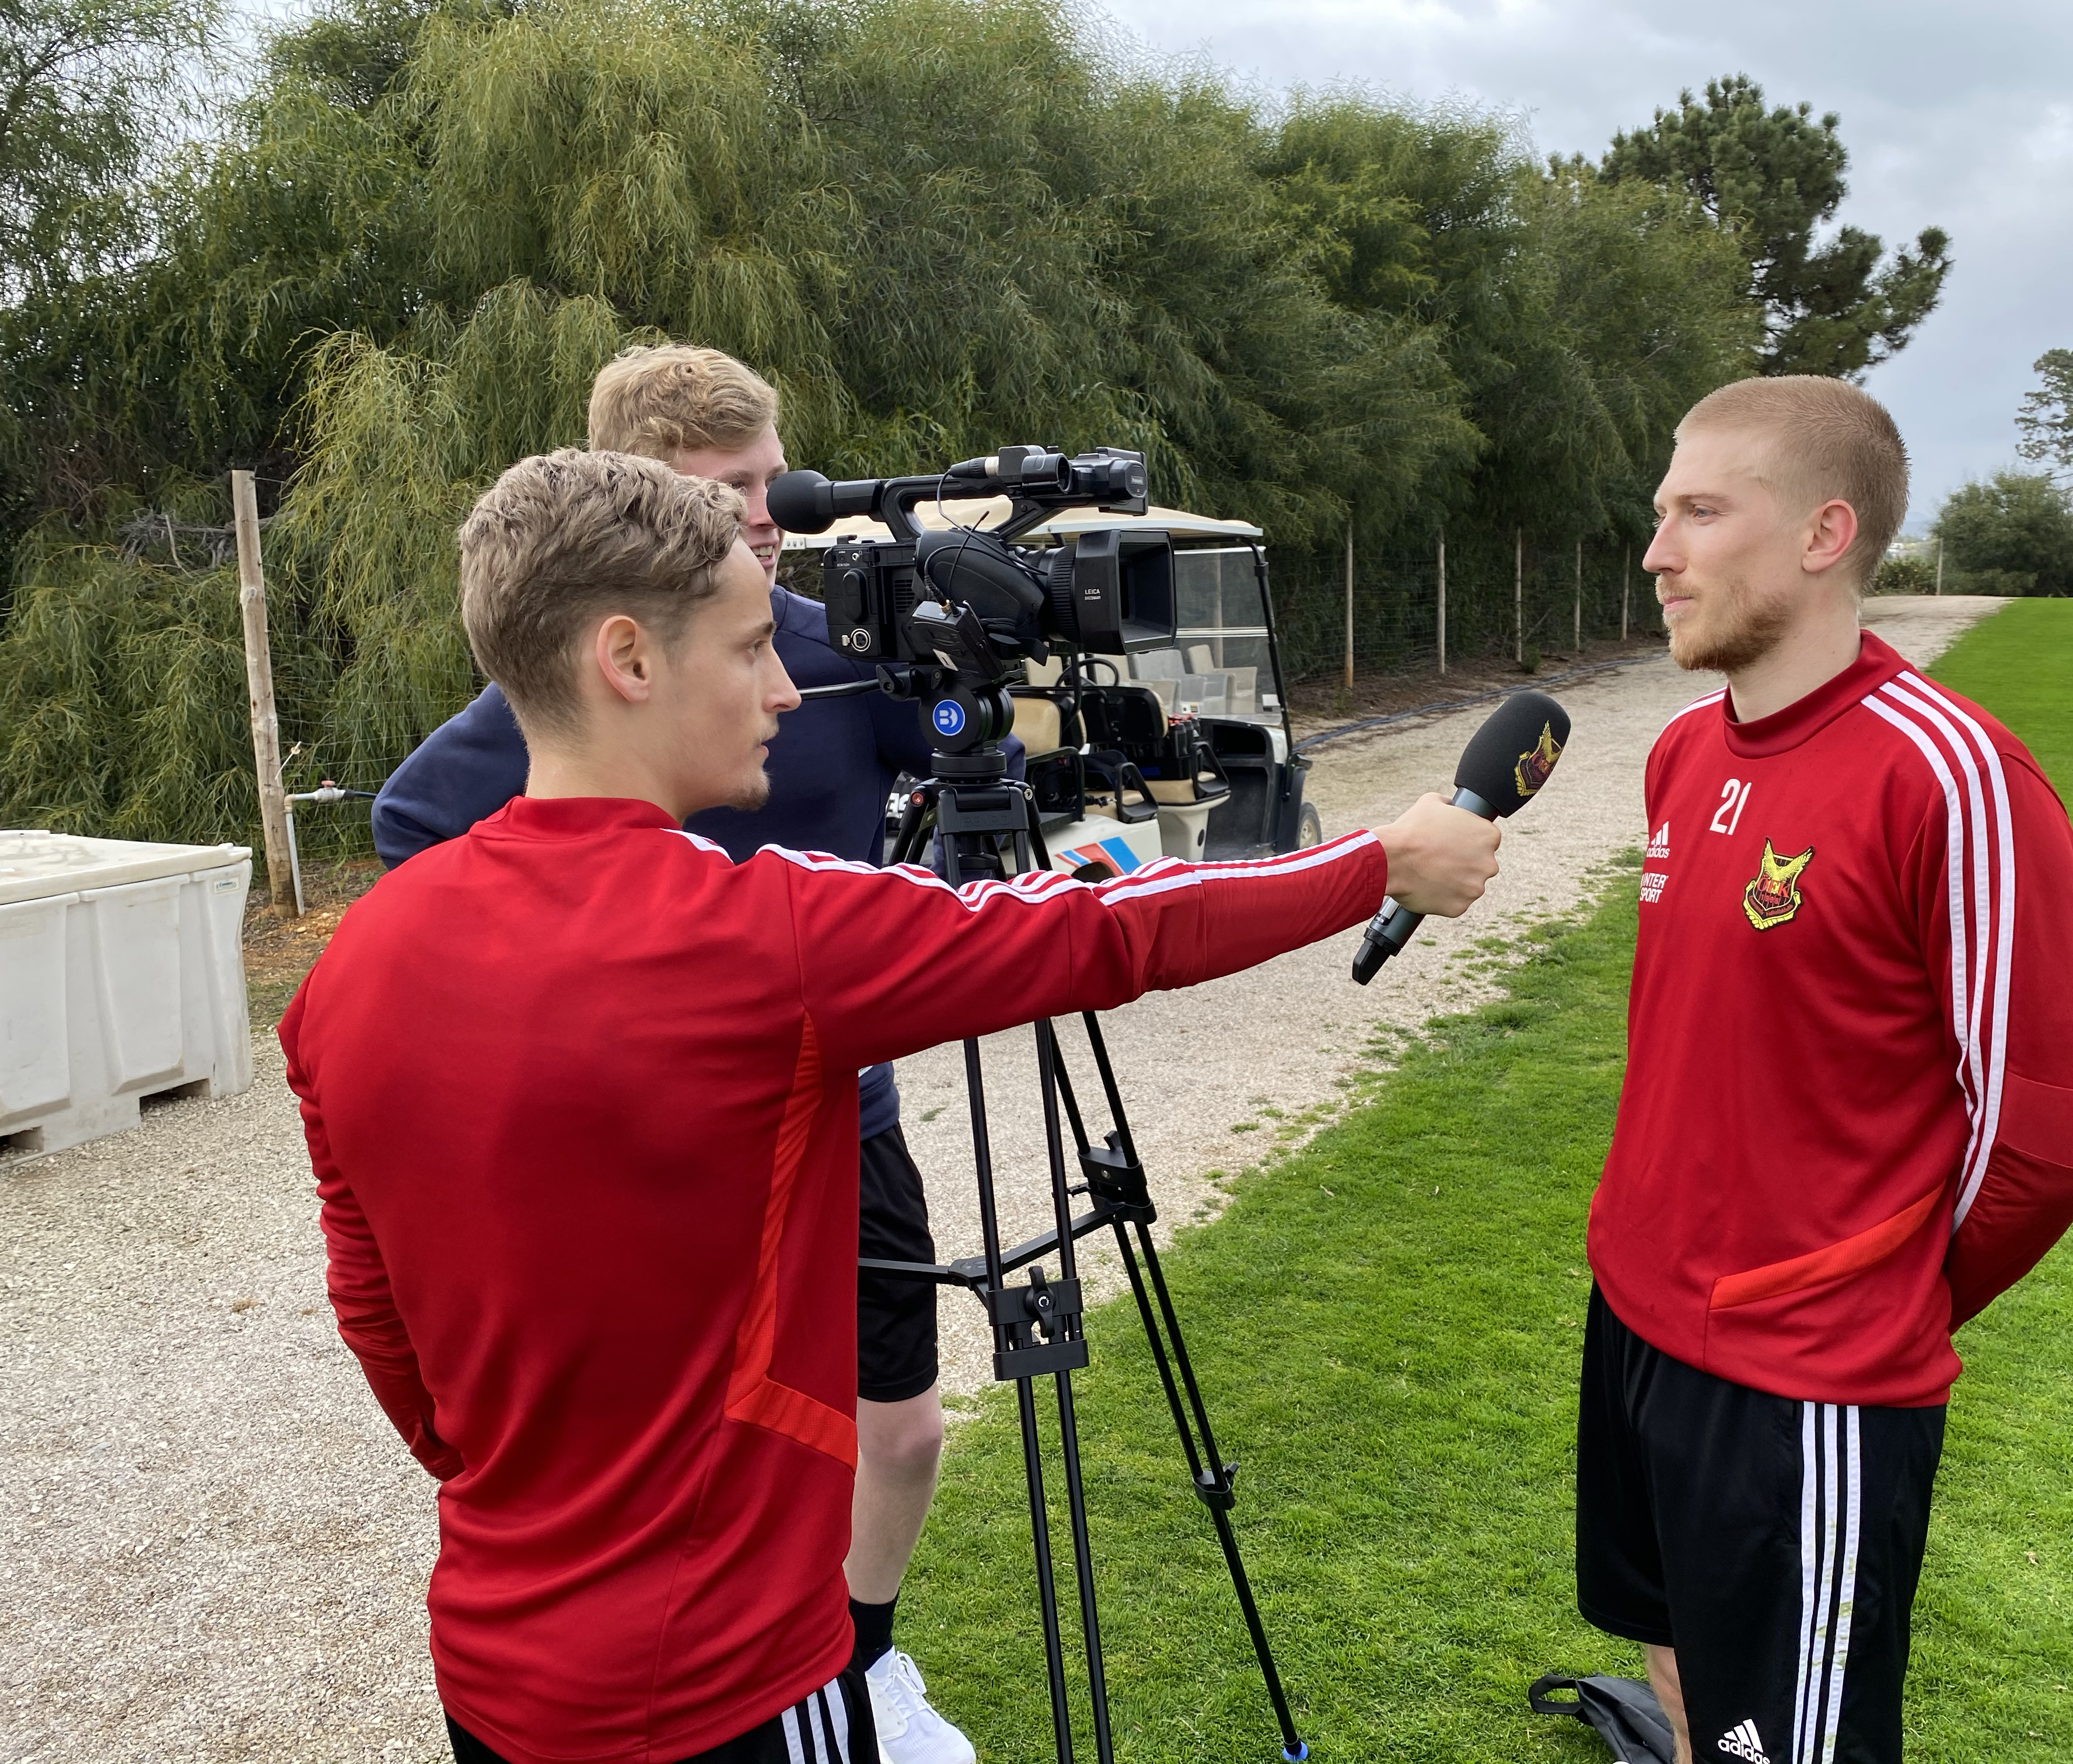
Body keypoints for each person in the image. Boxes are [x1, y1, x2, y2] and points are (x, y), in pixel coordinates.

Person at [285, 447, 1501, 1764]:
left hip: (496, 1669)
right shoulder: (761, 938)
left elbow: (383, 1330)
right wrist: (1379, 859)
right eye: (752, 648)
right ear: (628, 661)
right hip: (728, 1676)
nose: (787, 687)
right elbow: (1097, 933)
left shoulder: (352, 964)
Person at [370, 346, 981, 1762]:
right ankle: (715, 1671)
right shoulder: (490, 751)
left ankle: (866, 1657)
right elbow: (424, 873)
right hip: (657, 1163)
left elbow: (962, 766)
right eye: (728, 492)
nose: (768, 517)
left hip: (848, 1116)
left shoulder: (833, 651)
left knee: (900, 1427)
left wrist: (929, 898)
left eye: (775, 481)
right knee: (699, 1453)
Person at [1575, 376, 2073, 1764]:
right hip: (1635, 1316)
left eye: (1700, 512)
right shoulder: (1687, 752)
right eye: (1659, 514)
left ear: (1823, 534)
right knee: (1680, 1658)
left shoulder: (1952, 777)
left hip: (1803, 1382)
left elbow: (2044, 1146)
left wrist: (1869, 1297)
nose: (1659, 553)